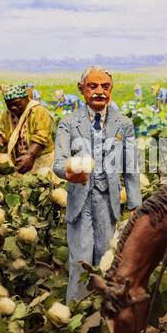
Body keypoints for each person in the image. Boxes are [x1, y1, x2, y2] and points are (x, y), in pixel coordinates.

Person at [53, 67, 141, 301]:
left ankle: (103, 315)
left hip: (107, 199)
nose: (100, 92)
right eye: (93, 86)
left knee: (107, 257)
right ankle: (75, 313)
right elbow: (59, 162)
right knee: (80, 259)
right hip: (80, 200)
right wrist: (70, 173)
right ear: (81, 89)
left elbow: (130, 167)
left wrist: (134, 203)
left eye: (105, 86)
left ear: (111, 89)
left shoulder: (124, 124)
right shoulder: (69, 123)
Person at [0, 83, 54, 174]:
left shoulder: (38, 111)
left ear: (26, 99)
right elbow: (1, 131)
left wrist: (30, 155)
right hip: (20, 159)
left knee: (42, 179)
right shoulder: (7, 115)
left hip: (41, 158)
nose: (13, 108)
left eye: (17, 104)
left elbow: (41, 137)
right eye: (9, 105)